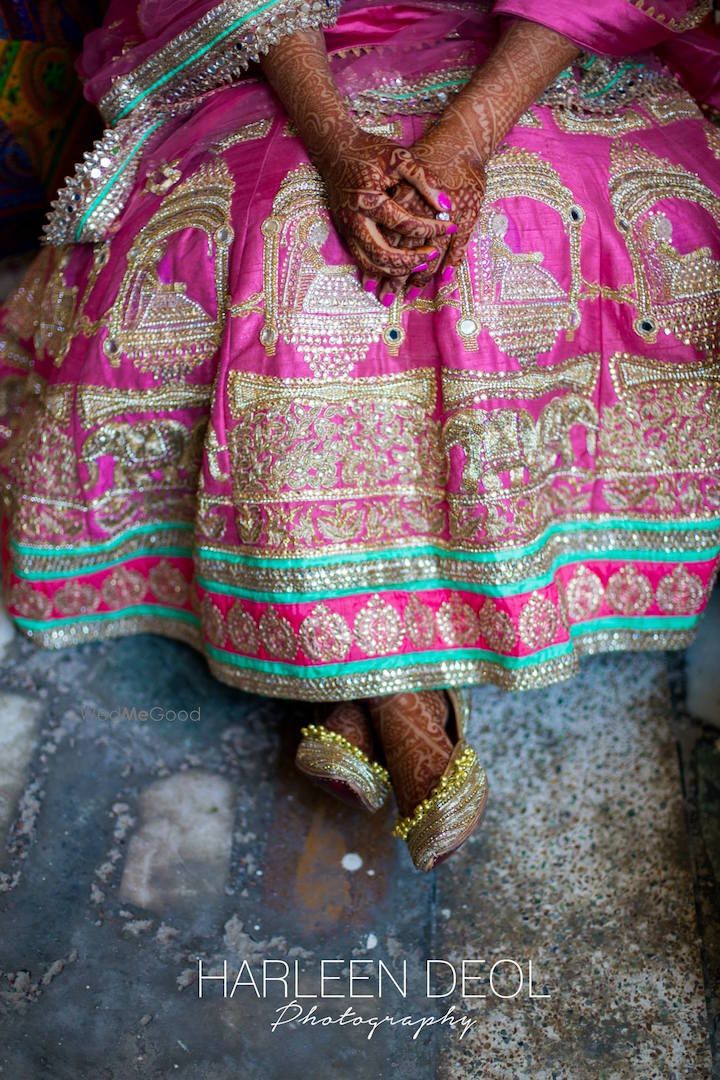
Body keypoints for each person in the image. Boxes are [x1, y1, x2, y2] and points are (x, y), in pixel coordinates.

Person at [0, 0, 718, 871]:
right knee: (285, 234)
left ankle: (349, 679)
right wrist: (340, 149)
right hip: (295, 51)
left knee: (534, 222)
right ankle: (401, 689)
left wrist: (466, 137)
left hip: (535, 50)